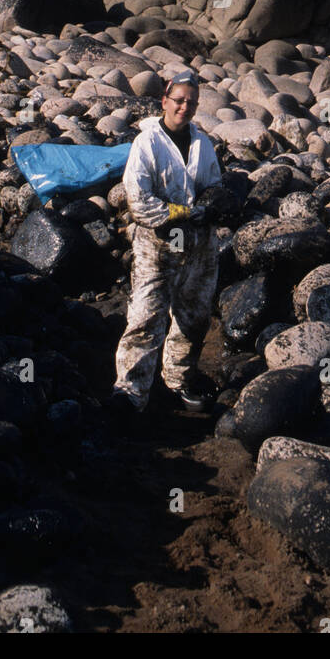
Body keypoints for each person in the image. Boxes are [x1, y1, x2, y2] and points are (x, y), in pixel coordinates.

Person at [109, 68, 222, 418]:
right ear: (165, 101)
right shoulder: (147, 143)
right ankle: (131, 391)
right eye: (178, 100)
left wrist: (213, 204)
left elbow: (214, 183)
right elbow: (138, 199)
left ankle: (178, 380)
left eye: (191, 102)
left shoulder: (203, 143)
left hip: (200, 246)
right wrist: (182, 212)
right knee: (146, 317)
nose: (184, 107)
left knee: (194, 316)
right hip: (159, 244)